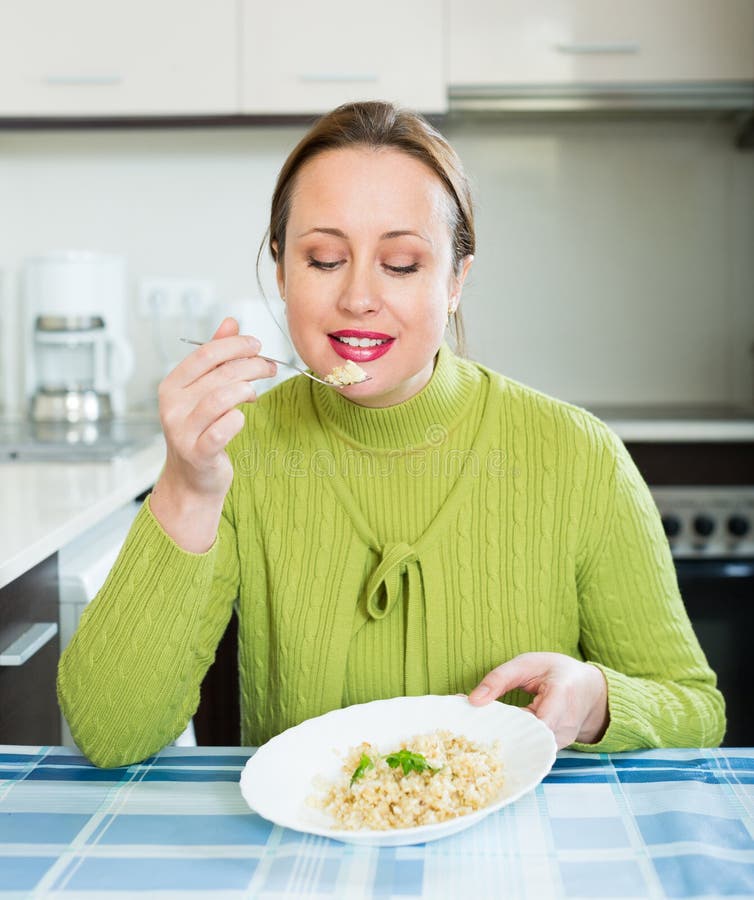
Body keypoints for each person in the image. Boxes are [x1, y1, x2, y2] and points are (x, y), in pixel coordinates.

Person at [58, 100, 725, 768]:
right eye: (324, 259)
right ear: (282, 271)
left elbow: (696, 709)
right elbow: (110, 734)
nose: (358, 297)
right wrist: (186, 487)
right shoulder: (235, 451)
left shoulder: (578, 454)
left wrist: (596, 699)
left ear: (456, 280)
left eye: (401, 264)